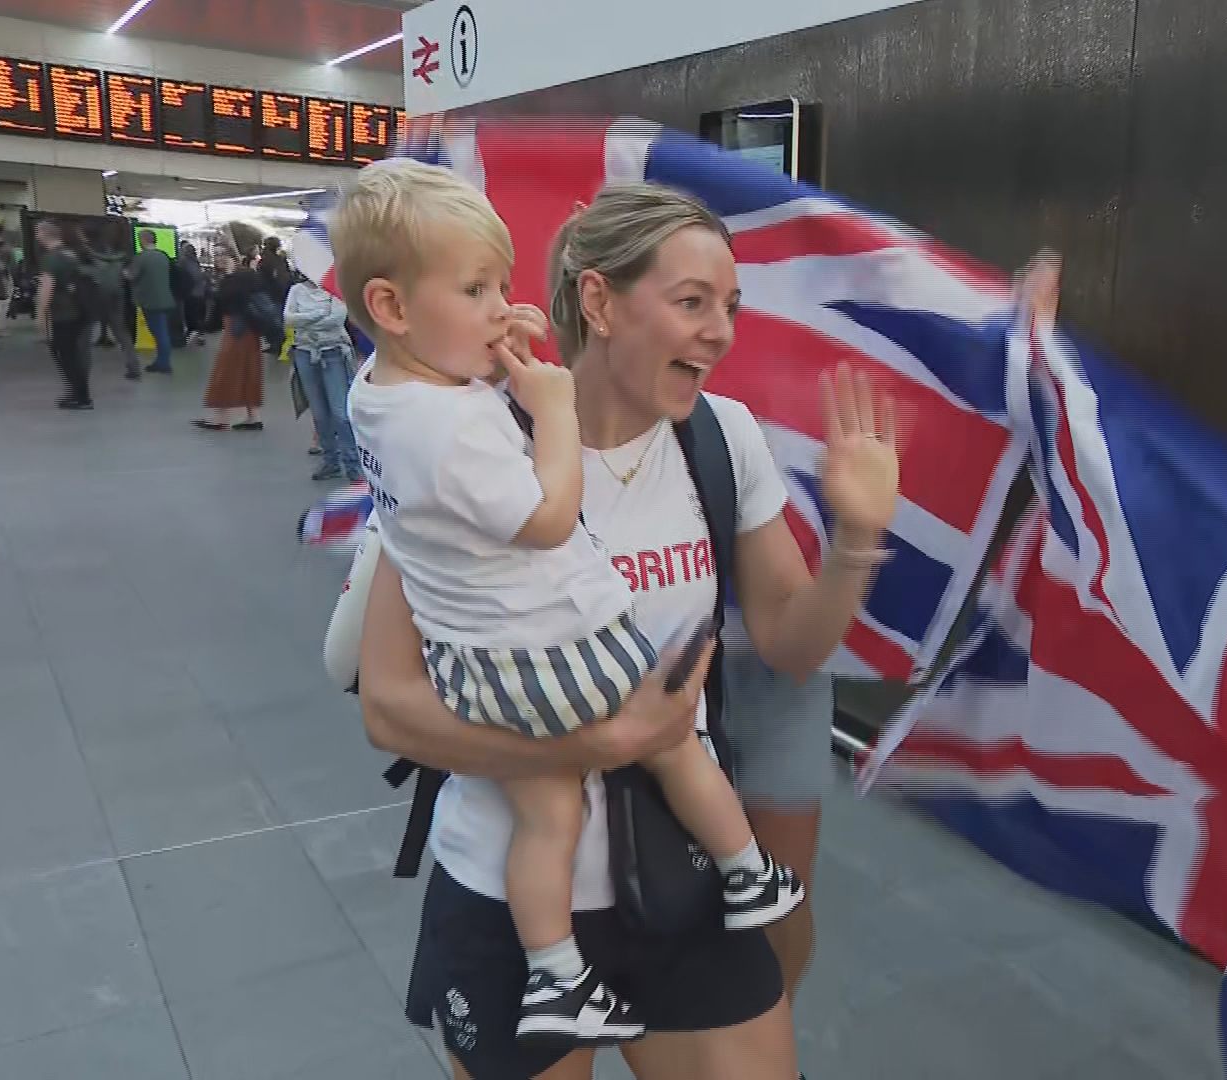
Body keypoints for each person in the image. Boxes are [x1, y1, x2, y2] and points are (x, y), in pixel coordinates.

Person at [355, 181, 903, 1080]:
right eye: (692, 303)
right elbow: (391, 704)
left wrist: (854, 539)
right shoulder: (463, 444)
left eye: (730, 307)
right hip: (511, 896)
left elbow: (791, 645)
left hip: (680, 877)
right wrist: (600, 741)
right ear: (600, 301)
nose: (720, 331)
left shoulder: (723, 439)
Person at [282, 271, 363, 482]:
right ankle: (331, 462)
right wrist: (320, 315)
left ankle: (352, 462)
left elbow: (336, 319)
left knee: (340, 412)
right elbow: (288, 319)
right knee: (319, 413)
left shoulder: (336, 289)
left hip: (333, 353)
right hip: (304, 353)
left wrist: (304, 320)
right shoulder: (296, 291)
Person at [194, 252, 265, 431]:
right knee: (250, 371)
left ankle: (221, 418)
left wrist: (202, 328)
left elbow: (223, 304)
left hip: (235, 329)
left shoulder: (233, 280)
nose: (219, 259)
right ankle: (253, 417)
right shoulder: (251, 278)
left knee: (226, 371)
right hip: (251, 329)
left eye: (223, 255)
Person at [35, 219, 96, 410]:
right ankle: (78, 392)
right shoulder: (70, 255)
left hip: (63, 313)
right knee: (74, 354)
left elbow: (47, 289)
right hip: (79, 310)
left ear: (44, 234)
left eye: (38, 233)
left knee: (64, 355)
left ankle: (81, 397)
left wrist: (40, 316)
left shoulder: (51, 258)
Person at [127, 230, 178, 374]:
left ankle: (164, 364)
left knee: (159, 333)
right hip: (166, 299)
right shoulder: (163, 256)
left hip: (150, 300)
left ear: (143, 240)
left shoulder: (142, 258)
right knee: (161, 331)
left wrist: (123, 271)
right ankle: (161, 361)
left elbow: (131, 276)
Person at [88, 240, 136, 378]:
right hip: (117, 296)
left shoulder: (94, 263)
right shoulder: (119, 262)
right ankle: (133, 365)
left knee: (84, 330)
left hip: (101, 297)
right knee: (122, 332)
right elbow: (127, 277)